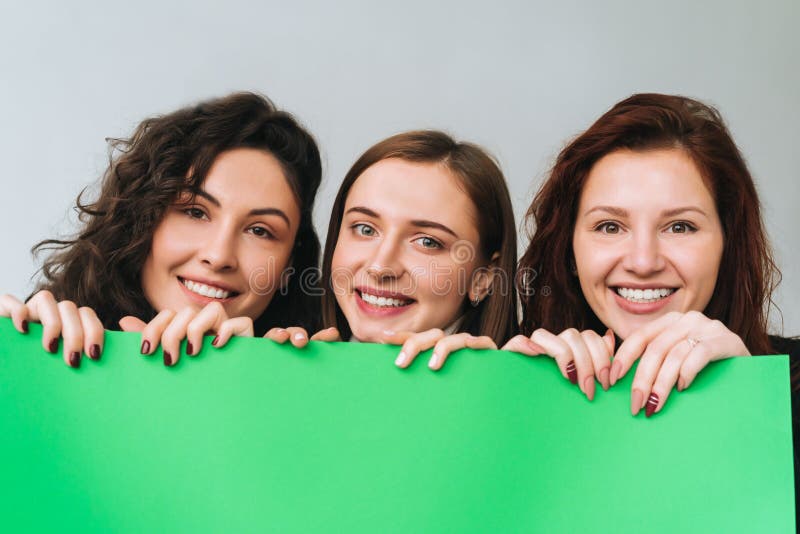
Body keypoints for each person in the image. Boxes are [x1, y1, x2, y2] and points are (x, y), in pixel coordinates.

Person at [0, 92, 323, 368]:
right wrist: (22, 357)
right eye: (195, 212)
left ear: (289, 266)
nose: (219, 255)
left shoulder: (308, 382)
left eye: (260, 231)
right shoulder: (43, 351)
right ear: (141, 219)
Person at [263, 130, 519, 370]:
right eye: (365, 229)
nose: (380, 266)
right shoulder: (288, 366)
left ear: (484, 278)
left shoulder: (521, 387)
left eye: (427, 242)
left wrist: (492, 379)